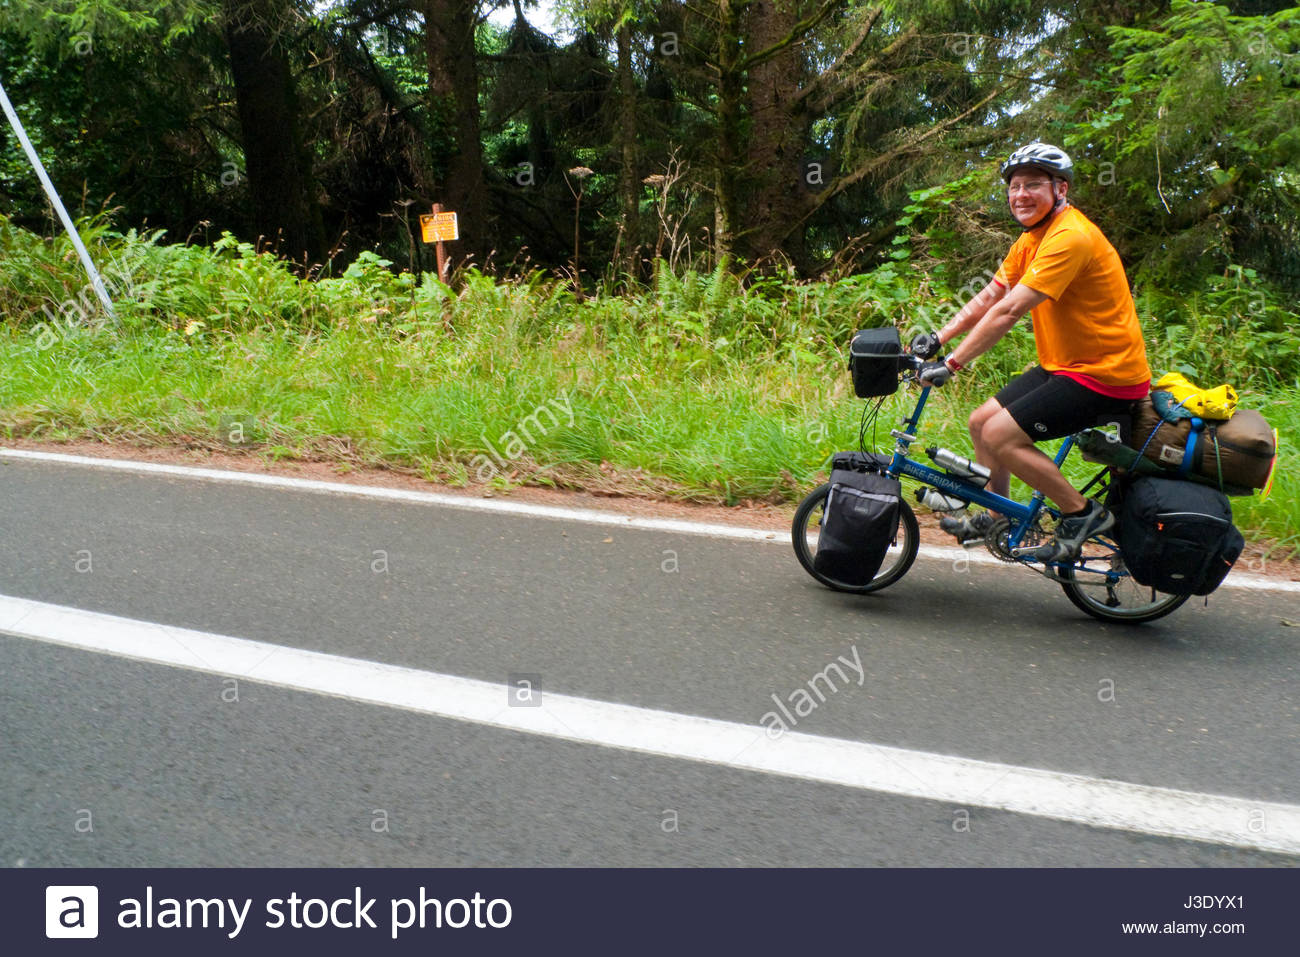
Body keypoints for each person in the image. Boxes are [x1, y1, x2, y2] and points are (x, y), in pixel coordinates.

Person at [907, 142, 1150, 562]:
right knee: (982, 422)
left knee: (1001, 436)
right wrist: (939, 338)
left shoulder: (1070, 237)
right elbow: (991, 294)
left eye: (1033, 184)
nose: (1020, 195)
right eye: (1014, 186)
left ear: (1061, 188)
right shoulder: (1033, 238)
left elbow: (1009, 310)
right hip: (1067, 367)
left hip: (1107, 376)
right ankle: (994, 517)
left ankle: (1082, 513)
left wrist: (951, 365)